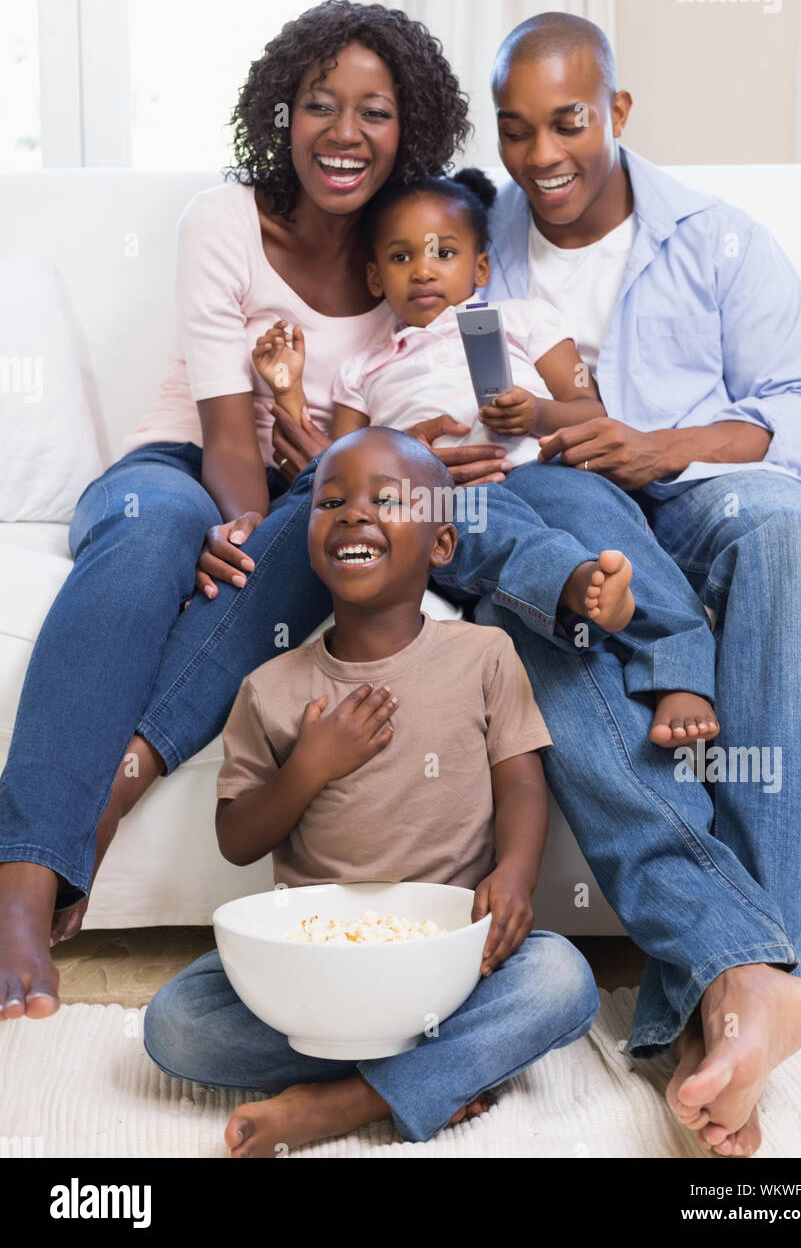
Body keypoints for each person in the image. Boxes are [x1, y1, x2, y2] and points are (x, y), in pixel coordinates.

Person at [0, 0, 480, 1015]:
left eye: (375, 112)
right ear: (282, 112)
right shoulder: (226, 222)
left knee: (342, 514)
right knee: (157, 534)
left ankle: (114, 785)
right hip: (180, 466)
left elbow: (435, 411)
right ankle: (22, 885)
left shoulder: (417, 251)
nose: (345, 133)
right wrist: (235, 525)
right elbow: (225, 436)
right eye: (320, 104)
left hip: (313, 492)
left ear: (411, 130)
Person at [451, 10, 801, 1157]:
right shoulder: (471, 239)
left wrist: (662, 447)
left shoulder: (717, 240)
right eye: (516, 130)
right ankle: (741, 997)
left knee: (794, 536)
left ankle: (721, 991)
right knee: (535, 617)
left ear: (617, 113)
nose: (542, 157)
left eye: (568, 123)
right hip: (557, 517)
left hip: (692, 488)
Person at [142, 427, 599, 1155]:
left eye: (387, 500)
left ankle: (349, 1101)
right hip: (320, 969)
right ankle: (435, 1071)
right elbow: (237, 839)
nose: (354, 514)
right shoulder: (272, 688)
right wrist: (310, 767)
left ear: (441, 546)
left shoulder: (484, 655)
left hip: (452, 966)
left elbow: (520, 783)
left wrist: (514, 876)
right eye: (330, 501)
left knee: (561, 981)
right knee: (176, 1022)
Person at [253, 167, 721, 744]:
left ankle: (680, 672)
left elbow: (589, 408)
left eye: (443, 253)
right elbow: (337, 465)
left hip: (548, 467)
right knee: (470, 526)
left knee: (606, 524)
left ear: (480, 268)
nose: (422, 269)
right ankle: (571, 583)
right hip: (453, 501)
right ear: (375, 276)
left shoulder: (523, 320)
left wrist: (538, 414)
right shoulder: (364, 369)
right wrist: (289, 392)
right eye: (400, 258)